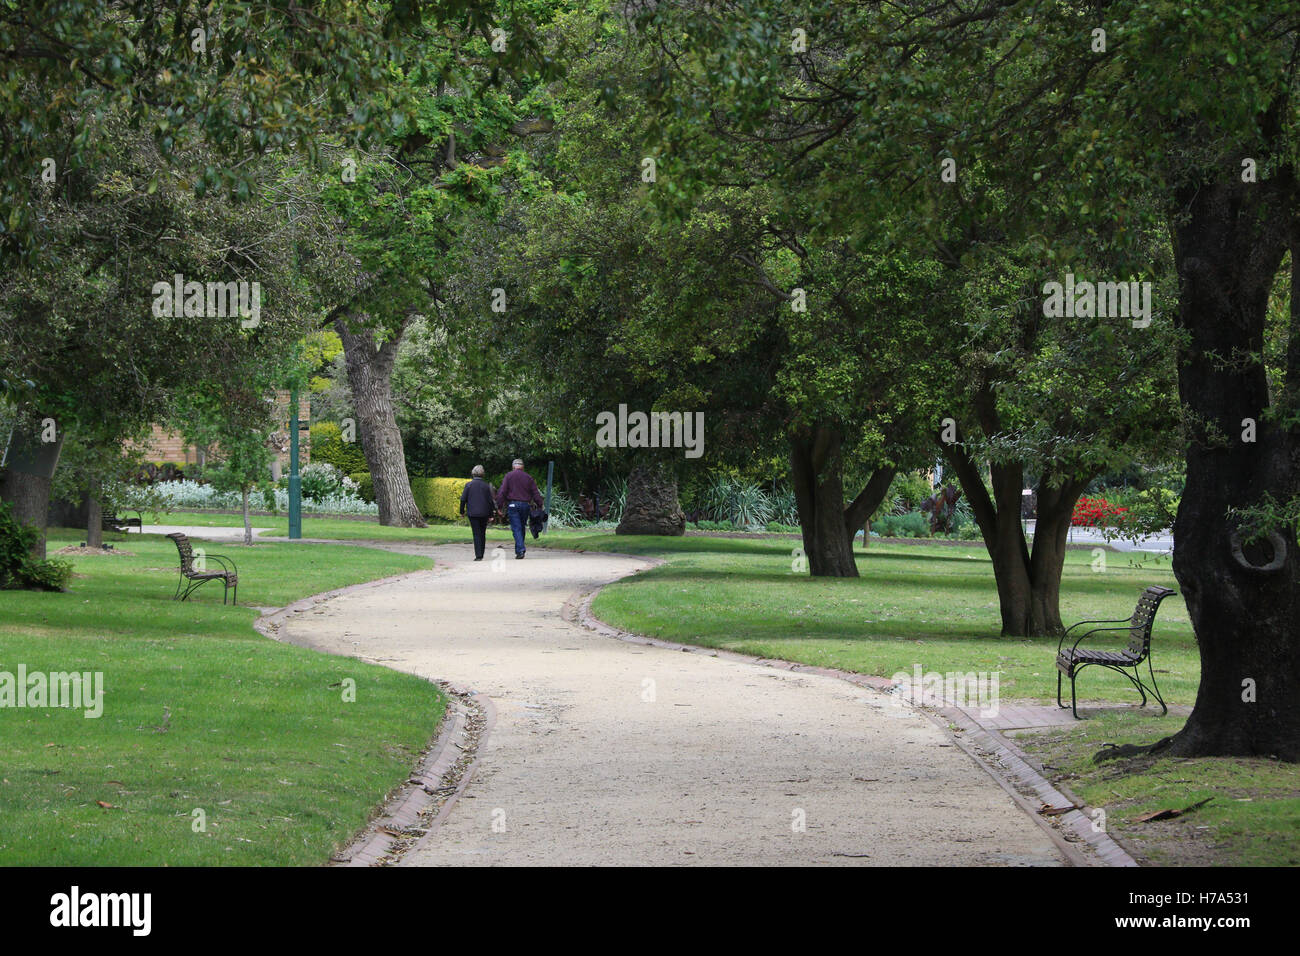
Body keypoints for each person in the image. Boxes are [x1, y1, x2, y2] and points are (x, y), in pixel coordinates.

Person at [496, 458, 543, 558]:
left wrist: (499, 506)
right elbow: (535, 492)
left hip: (513, 505)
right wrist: (539, 504)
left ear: (513, 466)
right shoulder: (528, 477)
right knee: (521, 527)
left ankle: (520, 550)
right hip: (525, 505)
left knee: (516, 528)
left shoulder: (509, 476)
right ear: (523, 467)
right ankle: (519, 551)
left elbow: (502, 491)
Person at [459, 465, 497, 561]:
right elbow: (490, 501)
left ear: (473, 473)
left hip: (473, 513)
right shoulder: (485, 486)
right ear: (482, 474)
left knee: (476, 533)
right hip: (484, 513)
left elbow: (463, 499)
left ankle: (478, 555)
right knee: (482, 533)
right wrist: (491, 515)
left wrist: (462, 511)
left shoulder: (469, 485)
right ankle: (481, 553)